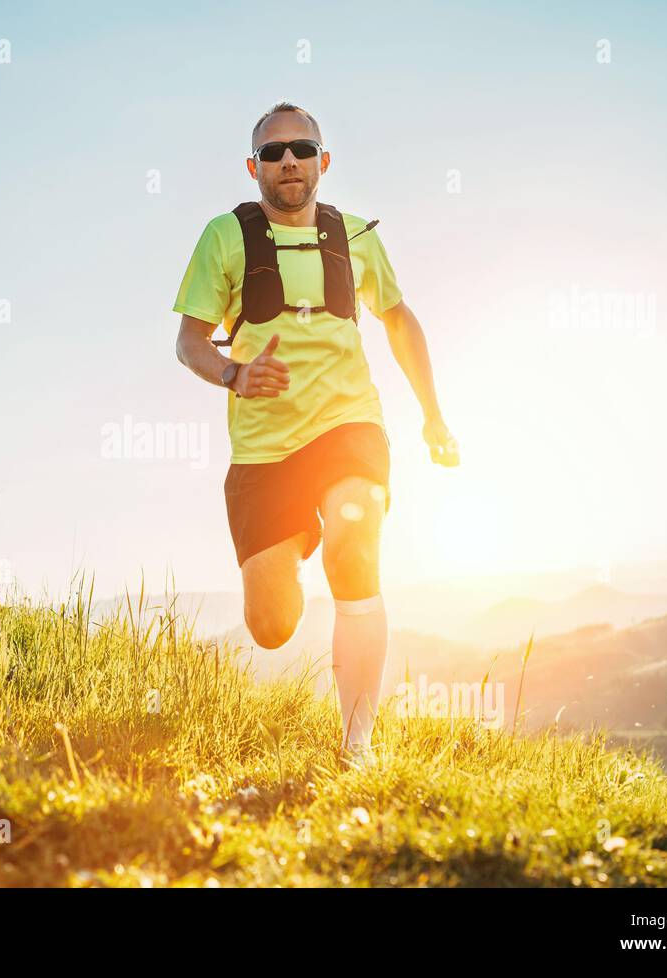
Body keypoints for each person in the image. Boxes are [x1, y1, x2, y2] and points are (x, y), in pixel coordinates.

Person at [172, 100, 459, 760]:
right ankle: (298, 530)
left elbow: (398, 319)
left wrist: (433, 416)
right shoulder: (224, 237)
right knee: (272, 626)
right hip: (265, 449)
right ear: (253, 169)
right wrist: (234, 374)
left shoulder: (355, 235)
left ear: (323, 161)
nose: (288, 161)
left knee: (355, 536)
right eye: (272, 154)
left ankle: (356, 747)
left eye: (301, 149)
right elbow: (189, 341)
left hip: (347, 424)